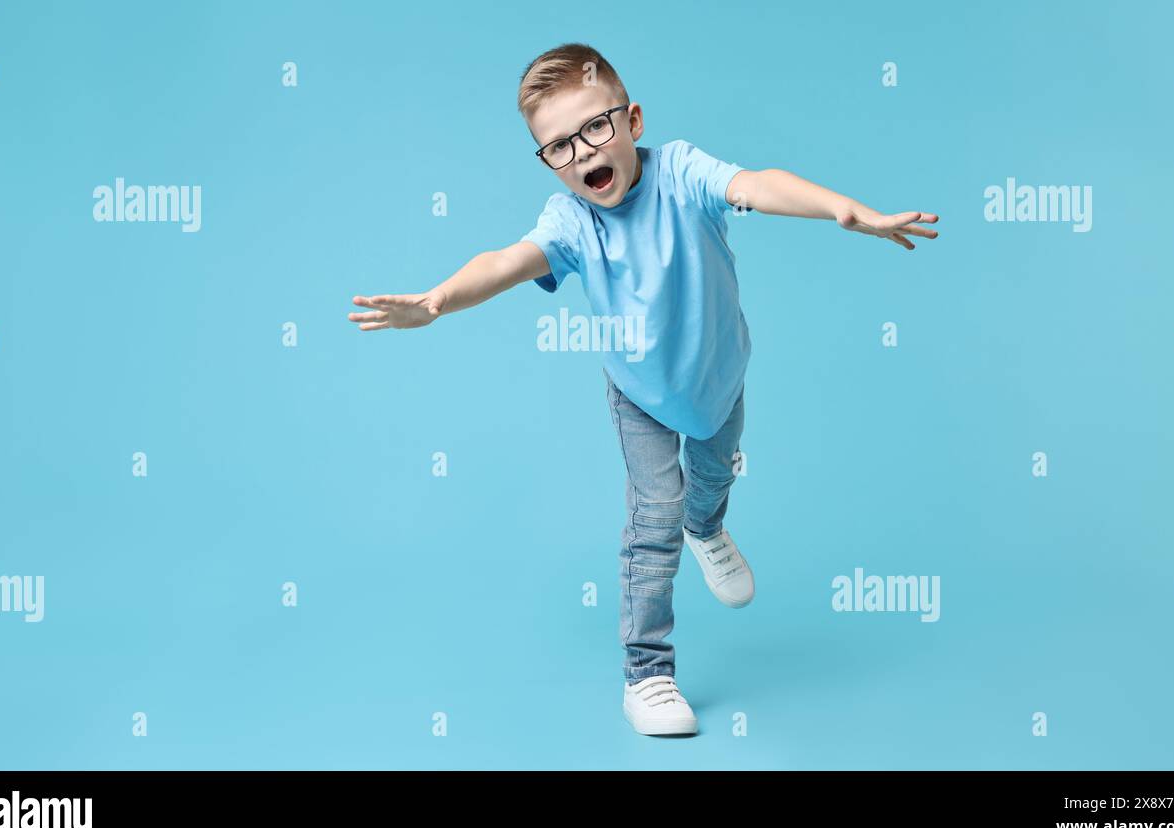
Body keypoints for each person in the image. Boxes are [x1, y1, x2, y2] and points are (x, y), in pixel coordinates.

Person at [348, 43, 939, 736]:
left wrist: (842, 207)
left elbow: (755, 184)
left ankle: (708, 527)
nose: (580, 154)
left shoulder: (683, 173)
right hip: (640, 395)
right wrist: (439, 300)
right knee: (654, 515)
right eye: (557, 147)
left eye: (594, 129)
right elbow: (505, 260)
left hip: (719, 375)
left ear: (631, 120)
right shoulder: (571, 221)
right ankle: (648, 672)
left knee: (712, 478)